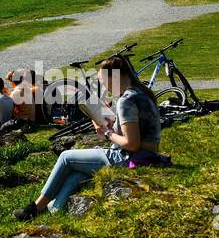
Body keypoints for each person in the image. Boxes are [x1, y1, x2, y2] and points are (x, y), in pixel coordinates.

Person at [13, 55, 163, 219]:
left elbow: (132, 144)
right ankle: (54, 211)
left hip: (130, 158)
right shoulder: (142, 93)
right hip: (148, 156)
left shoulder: (126, 100)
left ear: (113, 76)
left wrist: (107, 133)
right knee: (77, 174)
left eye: (103, 82)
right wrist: (109, 124)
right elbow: (136, 133)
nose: (104, 87)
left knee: (65, 157)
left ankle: (35, 207)